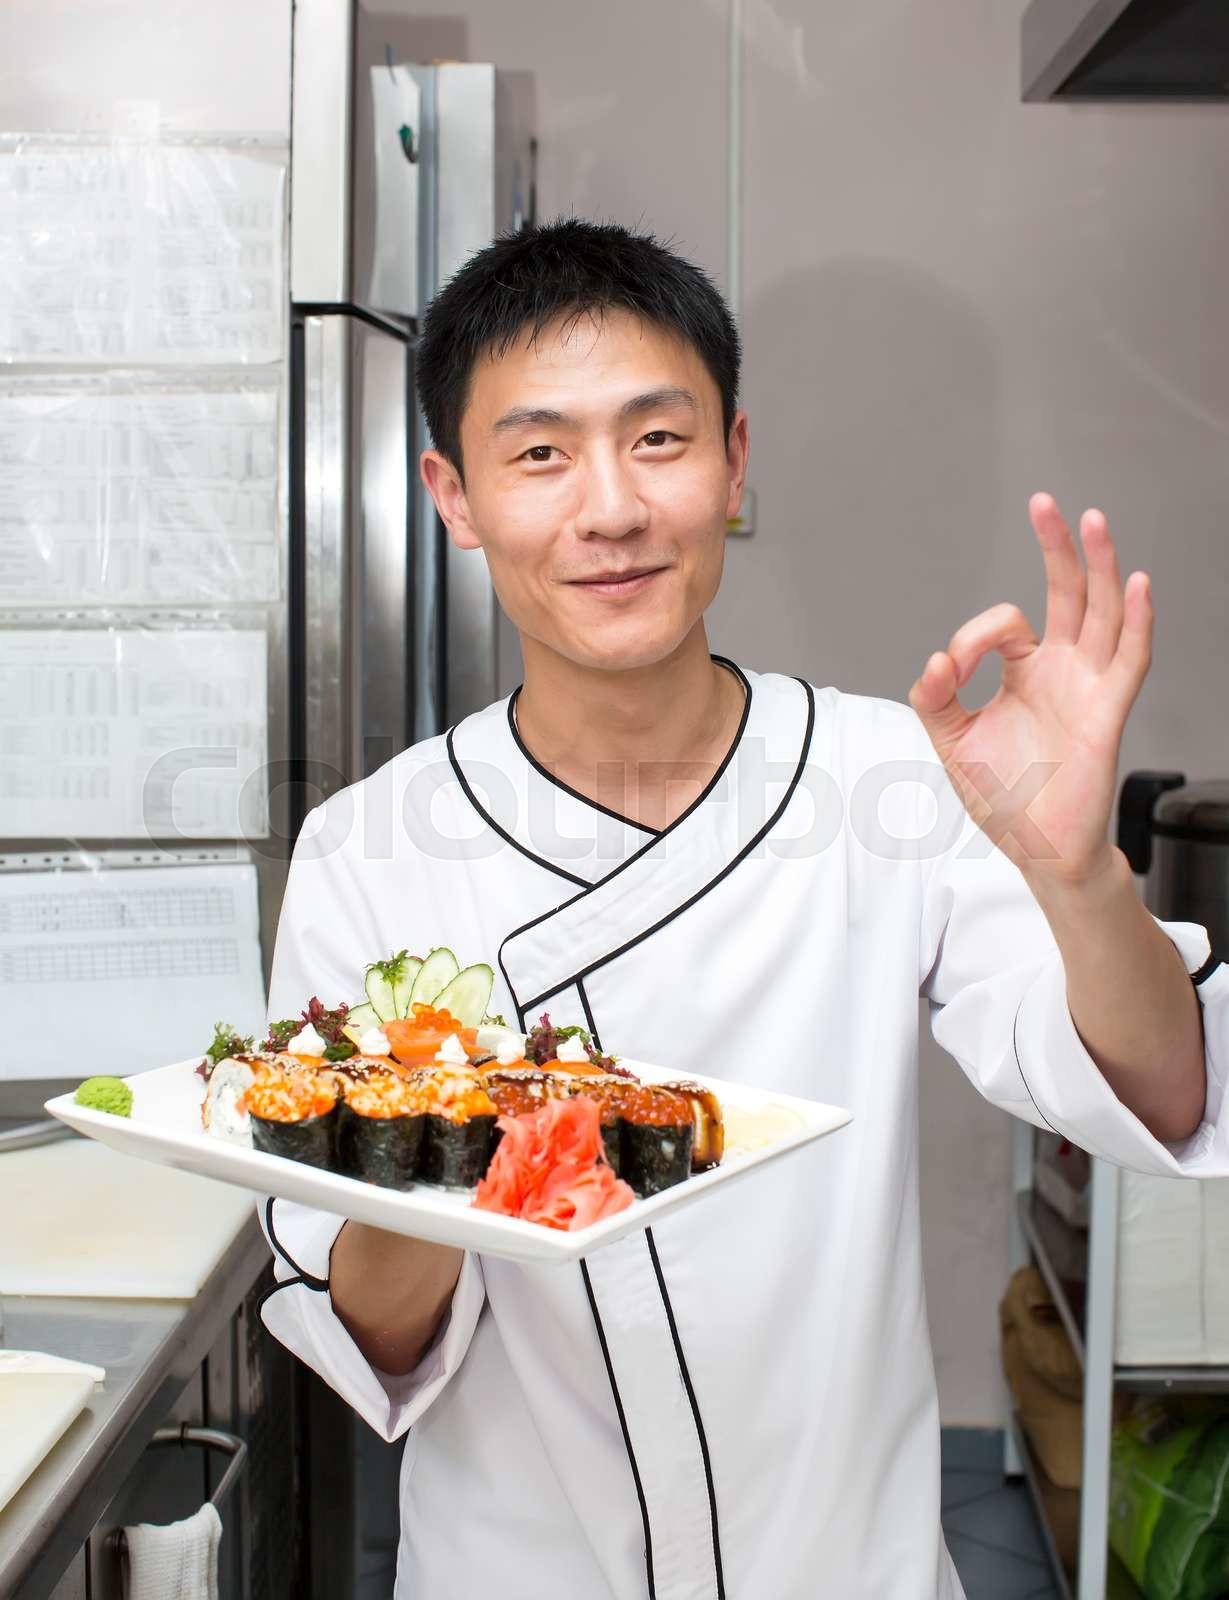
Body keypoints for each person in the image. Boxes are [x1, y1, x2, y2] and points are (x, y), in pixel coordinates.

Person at [261, 219, 1229, 1600]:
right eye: (539, 453)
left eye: (658, 438)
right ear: (453, 494)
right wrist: (428, 1147)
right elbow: (374, 1333)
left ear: (732, 462)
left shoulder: (884, 774)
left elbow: (1162, 1090)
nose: (608, 508)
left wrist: (1078, 872)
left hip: (849, 1565)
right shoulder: (367, 850)